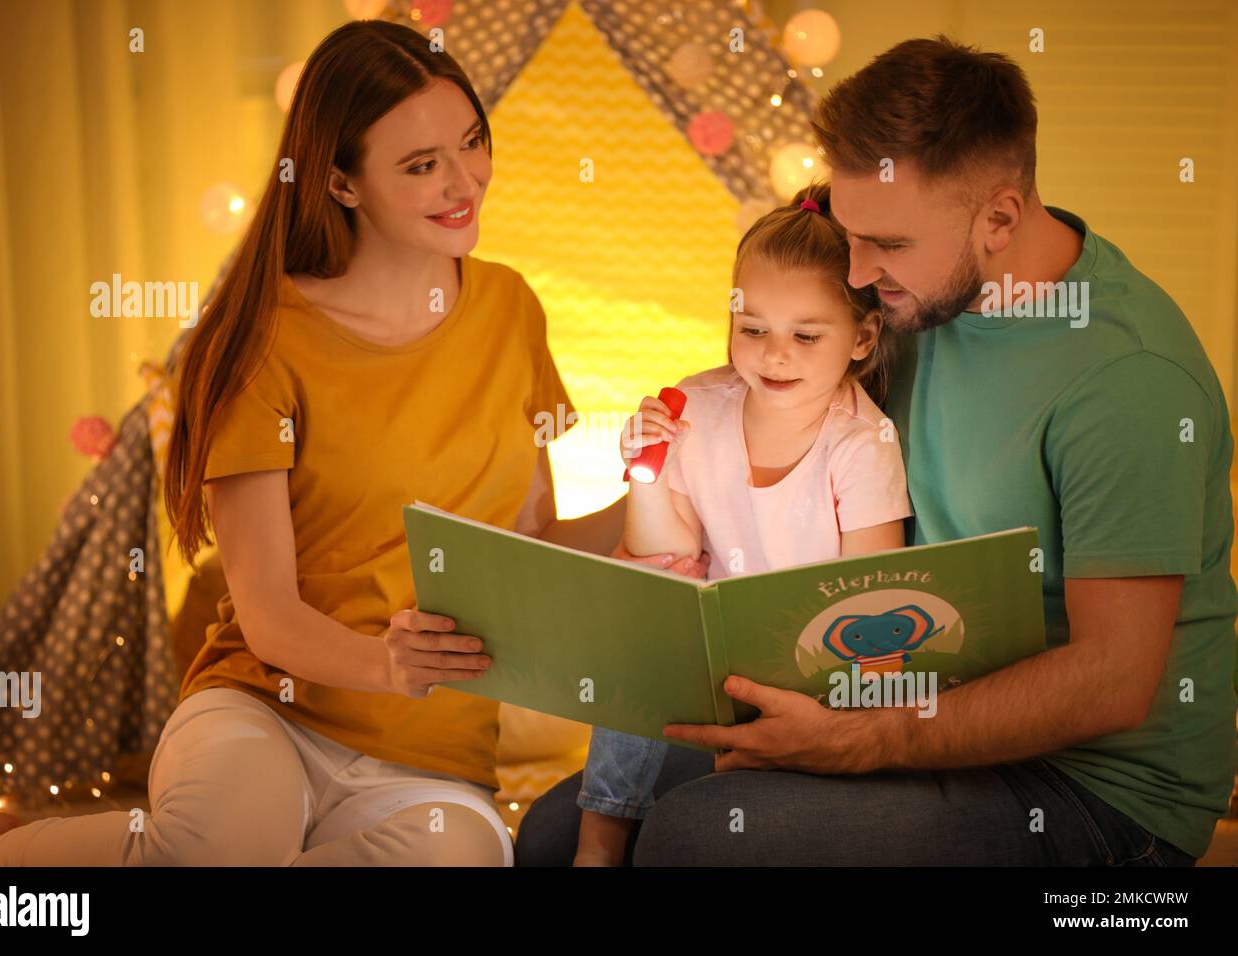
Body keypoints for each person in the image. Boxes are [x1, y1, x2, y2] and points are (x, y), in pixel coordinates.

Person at [0, 18, 690, 868]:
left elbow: (532, 545)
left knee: (466, 860)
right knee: (223, 849)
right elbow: (269, 617)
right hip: (269, 712)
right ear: (339, 182)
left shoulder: (510, 309)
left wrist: (658, 488)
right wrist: (388, 665)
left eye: (472, 142)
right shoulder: (261, 338)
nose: (465, 181)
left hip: (435, 760)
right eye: (420, 165)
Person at [516, 36, 1236, 866]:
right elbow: (710, 469)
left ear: (1000, 217)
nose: (858, 270)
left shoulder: (1127, 379)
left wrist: (863, 739)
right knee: (554, 834)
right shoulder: (906, 304)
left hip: (1092, 792)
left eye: (887, 245)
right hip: (892, 693)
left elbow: (1113, 680)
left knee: (696, 840)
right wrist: (520, 572)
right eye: (852, 235)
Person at [574, 184, 912, 865]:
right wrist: (647, 470)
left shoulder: (861, 444)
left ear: (862, 337)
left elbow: (872, 599)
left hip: (810, 679)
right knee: (640, 638)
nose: (774, 354)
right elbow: (663, 559)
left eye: (805, 335)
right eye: (752, 329)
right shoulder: (701, 406)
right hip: (711, 668)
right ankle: (597, 849)